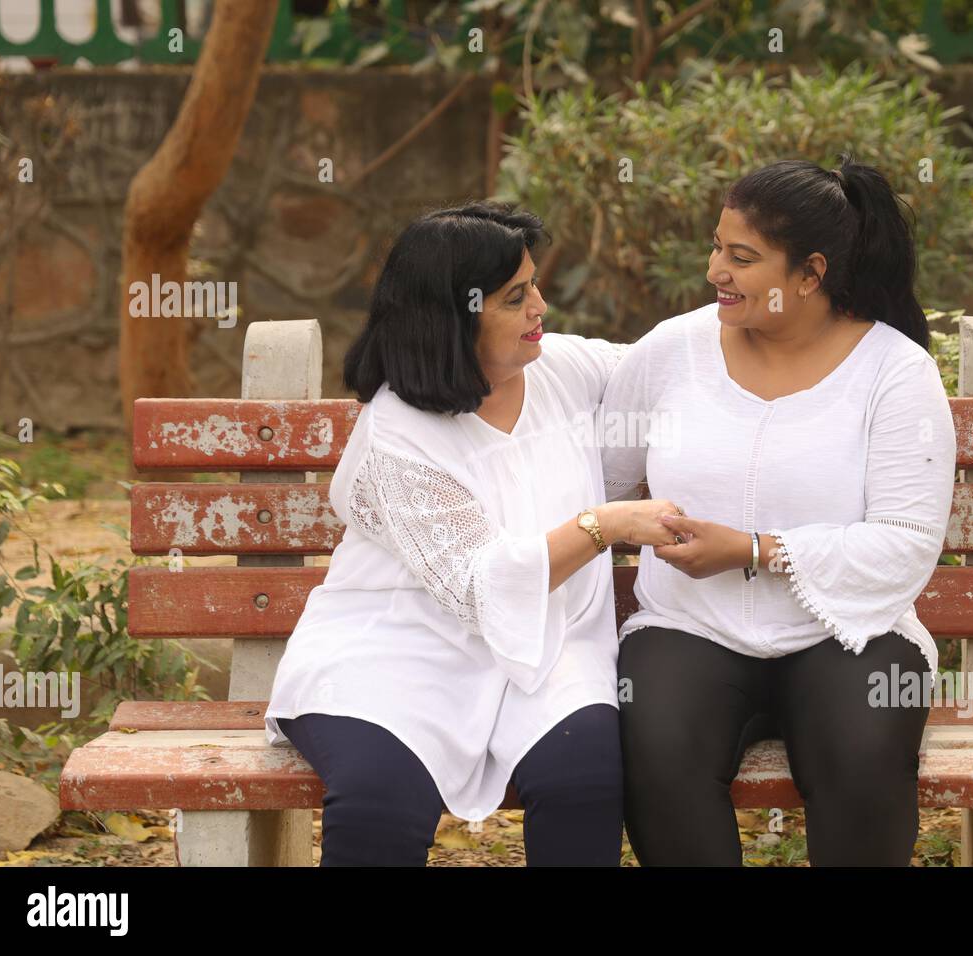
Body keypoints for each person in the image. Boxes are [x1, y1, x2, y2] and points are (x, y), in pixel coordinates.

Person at [264, 201, 680, 866]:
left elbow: (669, 364)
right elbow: (479, 585)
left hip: (553, 645)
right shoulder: (397, 436)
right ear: (454, 316)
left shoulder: (558, 368)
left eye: (536, 284)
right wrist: (604, 525)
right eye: (518, 297)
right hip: (399, 653)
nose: (541, 306)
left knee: (585, 779)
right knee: (380, 804)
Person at [601, 155, 958, 866]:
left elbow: (908, 542)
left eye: (742, 257)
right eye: (716, 248)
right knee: (659, 760)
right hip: (688, 626)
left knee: (862, 762)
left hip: (851, 633)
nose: (714, 272)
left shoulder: (894, 371)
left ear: (811, 273)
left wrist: (754, 549)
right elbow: (600, 485)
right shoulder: (672, 351)